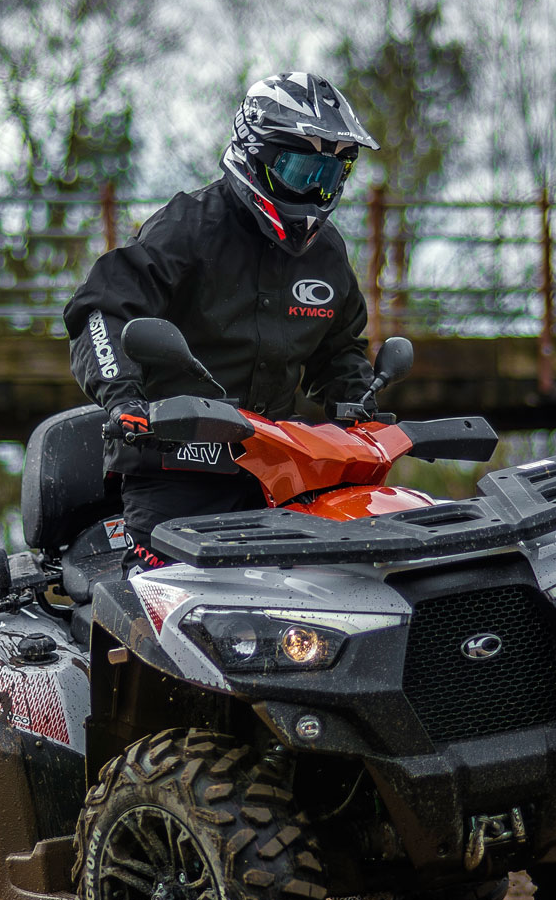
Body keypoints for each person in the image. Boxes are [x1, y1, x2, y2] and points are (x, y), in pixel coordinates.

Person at [62, 72, 382, 565]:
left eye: (332, 175)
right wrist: (123, 398)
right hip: (176, 468)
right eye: (303, 171)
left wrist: (357, 400)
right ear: (258, 154)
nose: (319, 190)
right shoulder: (188, 228)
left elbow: (338, 348)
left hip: (279, 473)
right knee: (162, 597)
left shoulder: (328, 255)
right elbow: (101, 309)